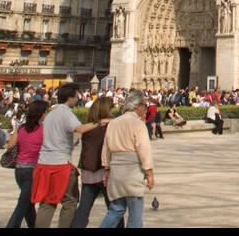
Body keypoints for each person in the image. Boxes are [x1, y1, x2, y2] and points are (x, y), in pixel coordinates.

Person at [33, 84, 98, 228]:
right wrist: (98, 123)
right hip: (60, 164)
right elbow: (79, 128)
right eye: (76, 96)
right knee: (70, 201)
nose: (77, 99)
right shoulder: (66, 113)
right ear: (69, 98)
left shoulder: (50, 114)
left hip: (44, 163)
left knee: (47, 203)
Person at [100, 91, 155, 228]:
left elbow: (106, 148)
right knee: (135, 215)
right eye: (144, 105)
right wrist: (149, 172)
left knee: (116, 210)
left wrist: (107, 169)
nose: (145, 109)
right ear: (137, 106)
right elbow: (144, 150)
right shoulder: (138, 124)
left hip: (116, 171)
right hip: (132, 171)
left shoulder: (114, 123)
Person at [71, 96, 115, 228]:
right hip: (104, 172)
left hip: (88, 172)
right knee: (114, 210)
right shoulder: (110, 127)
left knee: (83, 209)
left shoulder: (88, 128)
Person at [5, 99, 47, 228]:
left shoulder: (21, 128)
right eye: (46, 111)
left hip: (19, 169)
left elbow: (10, 145)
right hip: (33, 170)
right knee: (22, 205)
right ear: (41, 113)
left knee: (28, 203)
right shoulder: (43, 129)